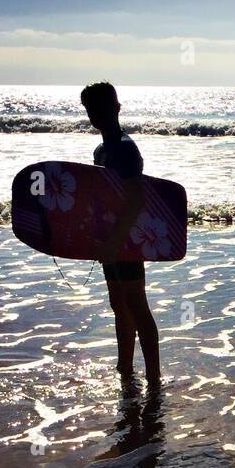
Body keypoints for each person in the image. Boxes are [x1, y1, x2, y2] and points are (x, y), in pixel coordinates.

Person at [80, 81, 160, 389]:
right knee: (118, 303)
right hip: (110, 239)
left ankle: (154, 378)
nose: (95, 114)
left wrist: (116, 241)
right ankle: (125, 368)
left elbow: (137, 199)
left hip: (126, 240)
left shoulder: (125, 148)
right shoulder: (101, 150)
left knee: (136, 304)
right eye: (90, 109)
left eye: (100, 107)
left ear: (116, 108)